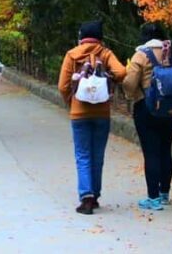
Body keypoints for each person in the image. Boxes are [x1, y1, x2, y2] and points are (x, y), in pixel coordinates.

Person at [58, 20, 126, 215]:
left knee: (83, 154)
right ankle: (95, 195)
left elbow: (62, 86)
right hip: (102, 112)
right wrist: (111, 79)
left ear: (81, 37)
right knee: (97, 155)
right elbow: (121, 72)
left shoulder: (72, 55)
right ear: (99, 37)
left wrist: (71, 101)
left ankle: (86, 196)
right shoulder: (105, 54)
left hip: (79, 113)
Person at [123, 23, 172, 211]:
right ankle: (165, 194)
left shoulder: (141, 55)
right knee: (165, 149)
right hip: (171, 109)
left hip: (146, 108)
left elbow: (129, 84)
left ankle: (152, 198)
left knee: (151, 151)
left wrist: (131, 91)